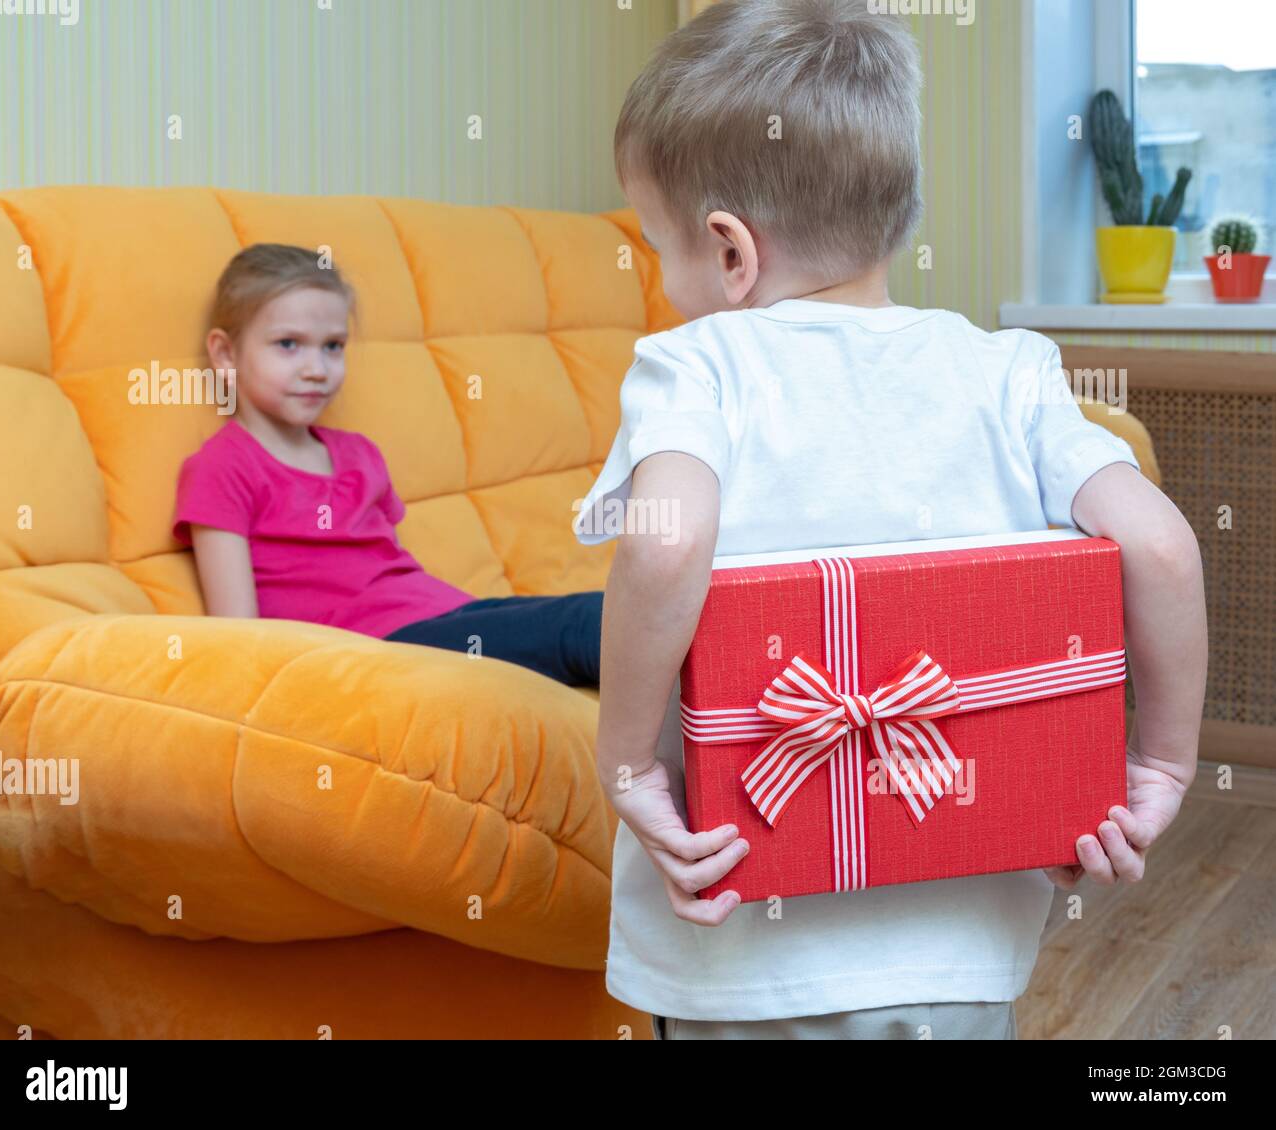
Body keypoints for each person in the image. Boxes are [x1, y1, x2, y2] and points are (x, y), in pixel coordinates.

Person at [575, 0, 1206, 1040]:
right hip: (958, 950)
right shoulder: (1009, 370)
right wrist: (1162, 764)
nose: (661, 276)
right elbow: (1160, 547)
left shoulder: (696, 365)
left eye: (655, 247)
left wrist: (627, 763)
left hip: (741, 951)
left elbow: (667, 540)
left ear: (730, 251)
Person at [172, 243, 602, 687]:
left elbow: (389, 565)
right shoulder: (223, 467)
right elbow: (237, 633)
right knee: (591, 622)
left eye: (333, 346)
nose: (317, 368)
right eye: (288, 344)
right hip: (379, 647)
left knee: (620, 610)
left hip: (445, 615)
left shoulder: (359, 453)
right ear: (225, 355)